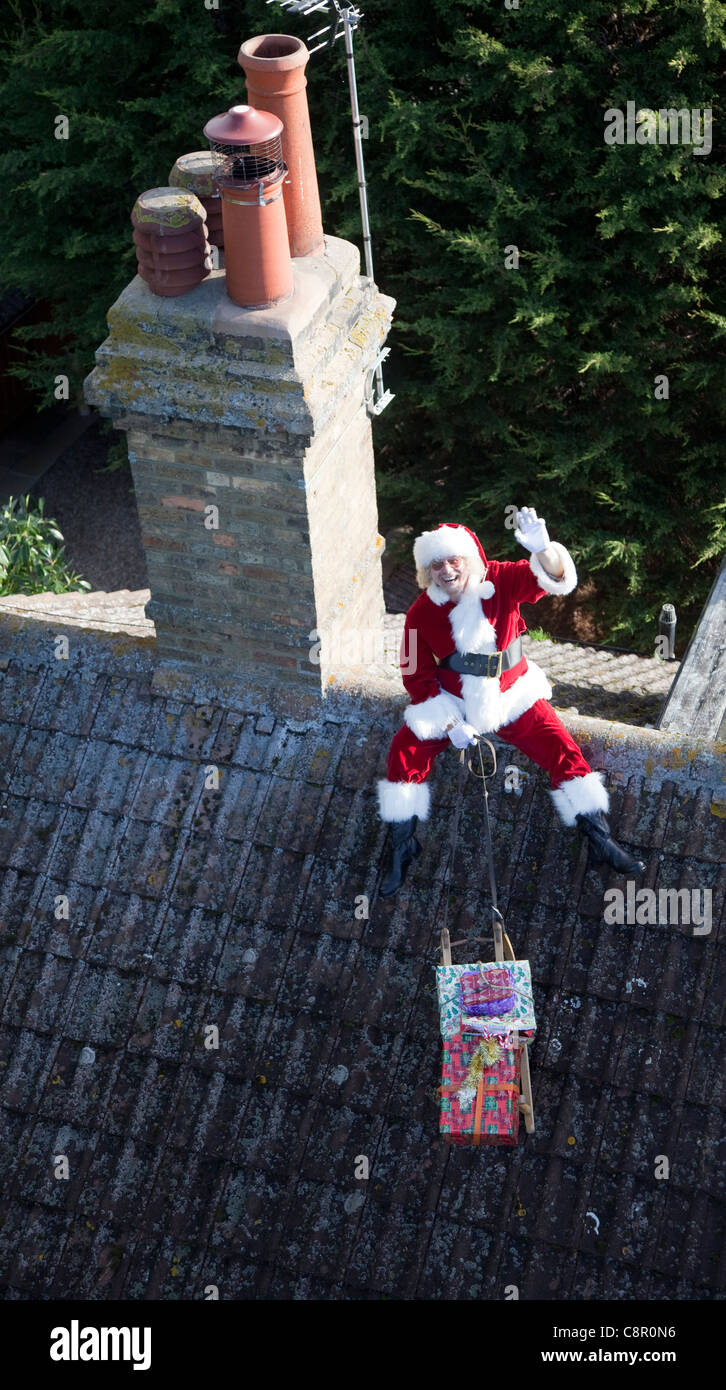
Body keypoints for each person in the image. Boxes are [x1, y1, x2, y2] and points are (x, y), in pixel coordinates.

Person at [377, 507, 647, 897]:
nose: (447, 570)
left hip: (511, 695)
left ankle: (600, 841)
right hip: (456, 704)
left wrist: (545, 549)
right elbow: (414, 674)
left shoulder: (502, 579)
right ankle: (402, 847)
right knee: (405, 750)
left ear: (470, 559)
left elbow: (551, 579)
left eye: (454, 560)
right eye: (436, 564)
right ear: (427, 571)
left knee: (562, 749)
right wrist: (450, 724)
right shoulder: (421, 612)